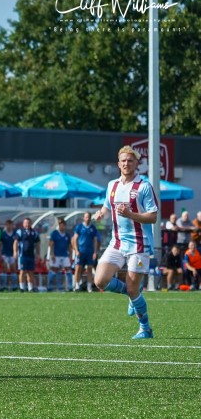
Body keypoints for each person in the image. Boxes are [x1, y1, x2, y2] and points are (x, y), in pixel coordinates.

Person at [93, 146, 159, 340]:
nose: (126, 164)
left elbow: (153, 217)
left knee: (132, 288)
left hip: (139, 244)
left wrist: (130, 214)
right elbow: (107, 206)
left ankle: (145, 328)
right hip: (117, 242)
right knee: (100, 280)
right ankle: (132, 294)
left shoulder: (144, 187)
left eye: (130, 161)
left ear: (136, 164)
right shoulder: (112, 185)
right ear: (118, 163)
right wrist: (100, 214)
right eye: (123, 161)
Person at [72, 212, 101, 292]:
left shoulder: (93, 228)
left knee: (89, 269)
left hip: (90, 252)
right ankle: (77, 285)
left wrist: (95, 252)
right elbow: (75, 239)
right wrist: (76, 250)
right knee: (78, 268)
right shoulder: (79, 227)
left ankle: (89, 286)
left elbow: (95, 240)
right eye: (86, 217)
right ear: (84, 218)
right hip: (81, 251)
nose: (87, 218)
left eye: (88, 217)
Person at [13, 217, 40, 293]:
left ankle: (30, 288)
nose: (27, 224)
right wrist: (15, 252)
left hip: (31, 255)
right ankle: (21, 287)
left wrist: (38, 253)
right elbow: (15, 242)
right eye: (26, 223)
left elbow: (37, 243)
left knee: (30, 272)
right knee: (22, 271)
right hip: (22, 255)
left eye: (28, 223)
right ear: (23, 224)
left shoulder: (34, 232)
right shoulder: (20, 232)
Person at [47, 218, 72, 291]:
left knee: (68, 269)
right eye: (60, 225)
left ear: (65, 226)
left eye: (63, 225)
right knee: (55, 270)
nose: (62, 226)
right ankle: (50, 286)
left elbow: (69, 246)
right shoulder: (54, 233)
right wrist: (52, 254)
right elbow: (51, 245)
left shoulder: (67, 235)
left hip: (65, 255)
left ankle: (70, 287)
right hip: (56, 255)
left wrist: (70, 255)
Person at [0, 219, 17, 291]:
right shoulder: (3, 234)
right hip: (5, 254)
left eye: (10, 224)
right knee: (4, 269)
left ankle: (14, 286)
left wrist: (16, 253)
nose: (9, 226)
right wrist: (0, 254)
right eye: (7, 224)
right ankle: (4, 286)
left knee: (13, 269)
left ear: (12, 225)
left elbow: (17, 244)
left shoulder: (15, 234)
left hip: (12, 254)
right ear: (6, 225)